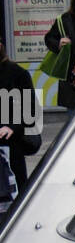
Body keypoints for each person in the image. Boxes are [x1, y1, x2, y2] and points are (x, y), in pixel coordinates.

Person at [0, 38, 41, 201]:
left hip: (11, 141)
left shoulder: (18, 73)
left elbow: (31, 110)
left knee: (15, 189)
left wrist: (11, 127)